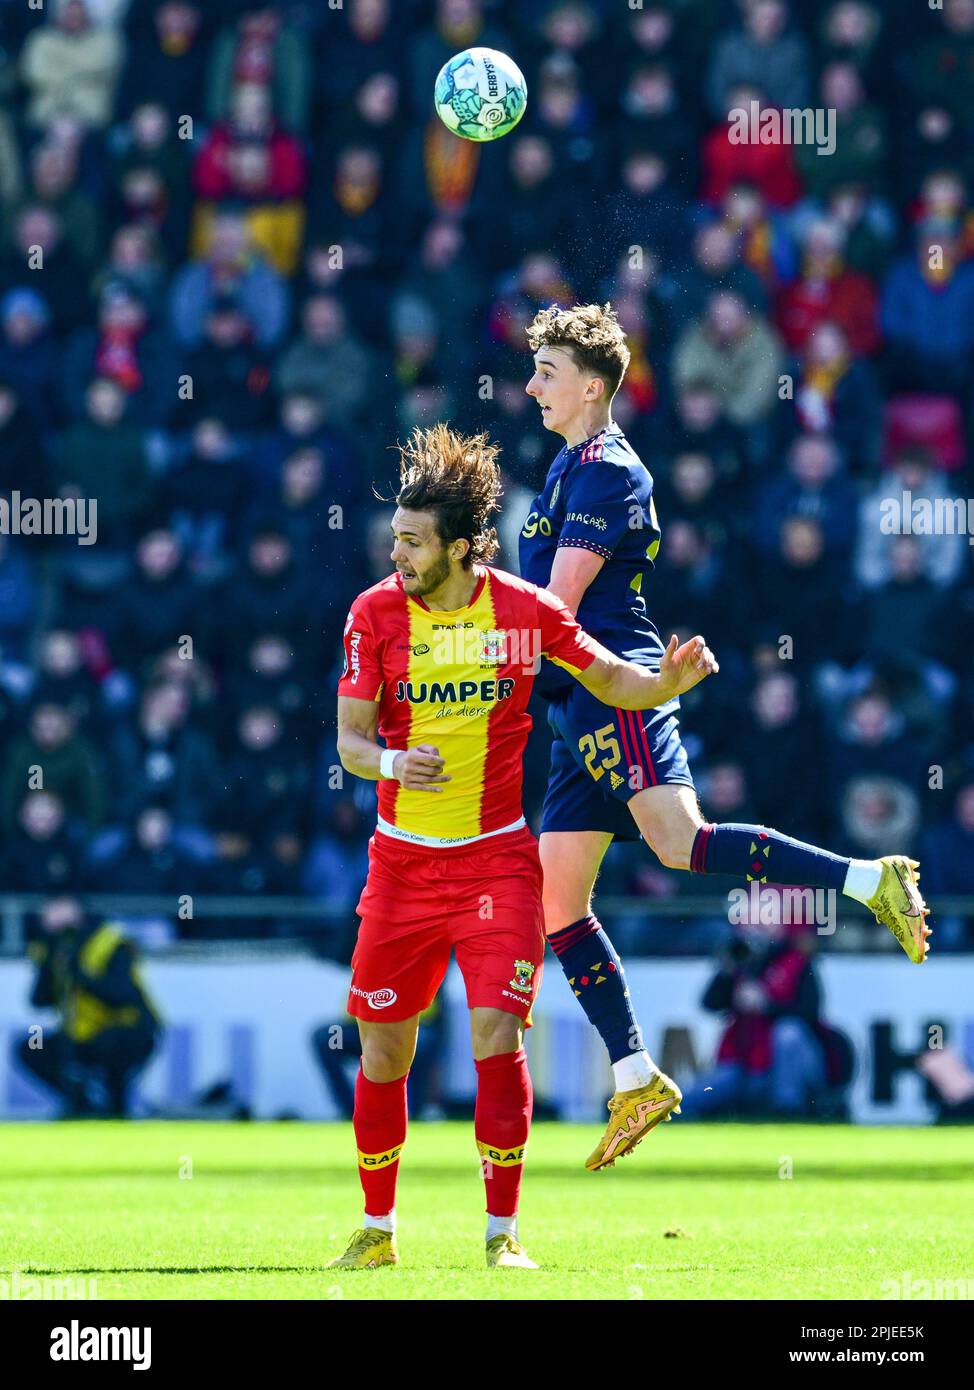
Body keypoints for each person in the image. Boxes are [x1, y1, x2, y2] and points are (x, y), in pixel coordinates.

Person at [518, 301, 931, 1170]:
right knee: (559, 901)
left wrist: (474, 634)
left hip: (611, 686)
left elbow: (554, 609)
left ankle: (869, 879)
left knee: (680, 843)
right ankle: (636, 1074)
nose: (531, 386)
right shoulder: (564, 465)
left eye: (546, 372)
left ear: (592, 386)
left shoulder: (607, 474)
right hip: (572, 700)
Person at [329, 422, 718, 1272]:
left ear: (462, 547)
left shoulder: (523, 609)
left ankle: (503, 1236)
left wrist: (666, 683)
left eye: (411, 540)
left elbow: (608, 676)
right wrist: (393, 760)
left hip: (499, 860)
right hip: (400, 862)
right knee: (383, 1048)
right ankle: (377, 1229)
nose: (396, 552)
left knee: (497, 1035)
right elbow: (350, 743)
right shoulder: (374, 615)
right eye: (394, 536)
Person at [14, 896, 161, 1117]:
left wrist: (81, 976)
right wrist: (48, 966)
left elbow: (123, 996)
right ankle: (80, 1102)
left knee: (111, 1045)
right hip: (81, 1035)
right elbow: (39, 1001)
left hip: (130, 1030)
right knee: (32, 1049)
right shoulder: (51, 948)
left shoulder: (111, 943)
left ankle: (115, 1105)